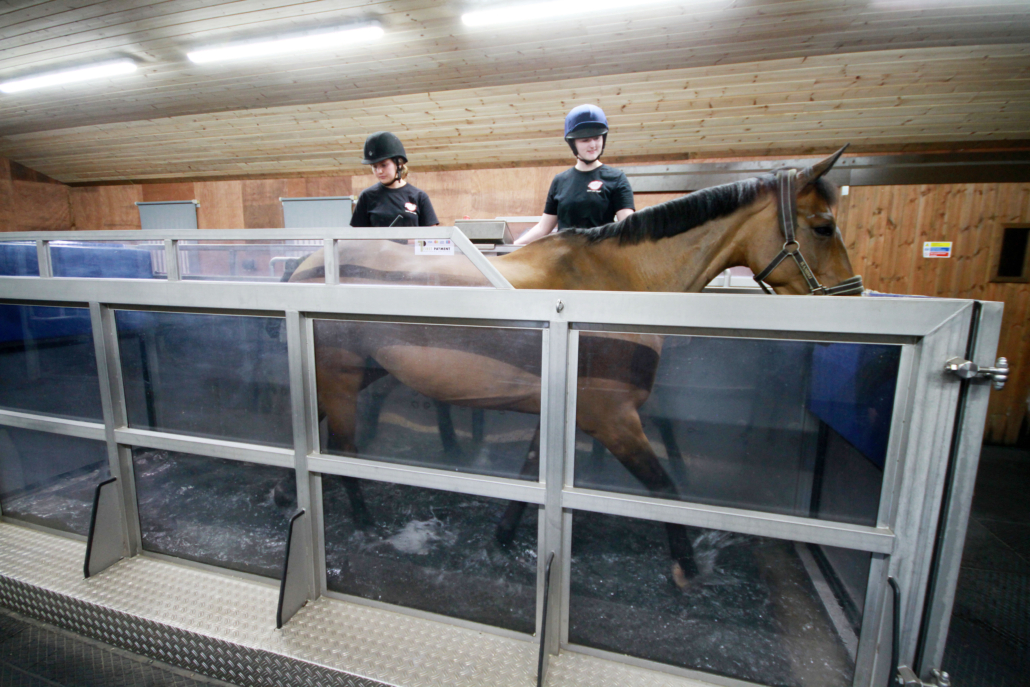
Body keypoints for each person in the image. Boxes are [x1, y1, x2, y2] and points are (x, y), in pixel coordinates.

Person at [514, 104, 634, 244]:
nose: (593, 145)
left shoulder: (616, 178)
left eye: (597, 138)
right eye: (585, 140)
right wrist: (512, 248)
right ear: (573, 143)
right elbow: (543, 228)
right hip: (563, 259)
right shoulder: (560, 181)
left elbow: (629, 228)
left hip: (598, 260)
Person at [351, 131, 439, 228]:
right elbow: (357, 237)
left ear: (399, 163)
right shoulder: (366, 197)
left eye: (384, 165)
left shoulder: (419, 197)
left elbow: (433, 236)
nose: (379, 171)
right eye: (374, 166)